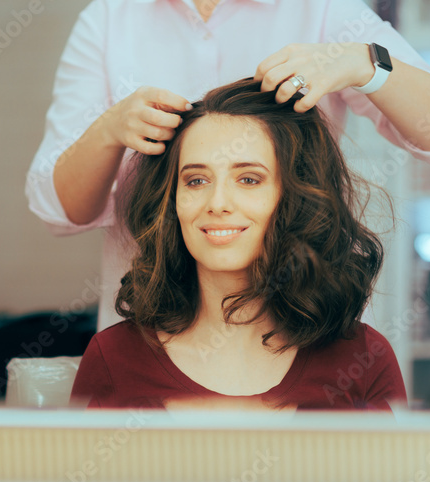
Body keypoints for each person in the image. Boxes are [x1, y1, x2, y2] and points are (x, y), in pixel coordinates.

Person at [26, 0, 430, 333]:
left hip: (303, 323)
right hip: (156, 331)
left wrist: (362, 62)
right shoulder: (109, 19)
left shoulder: (323, 10)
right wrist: (108, 131)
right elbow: (61, 211)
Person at [70, 78, 406, 411]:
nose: (217, 203)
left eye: (248, 179)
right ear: (172, 201)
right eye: (196, 180)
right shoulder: (113, 358)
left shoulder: (362, 359)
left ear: (296, 198)